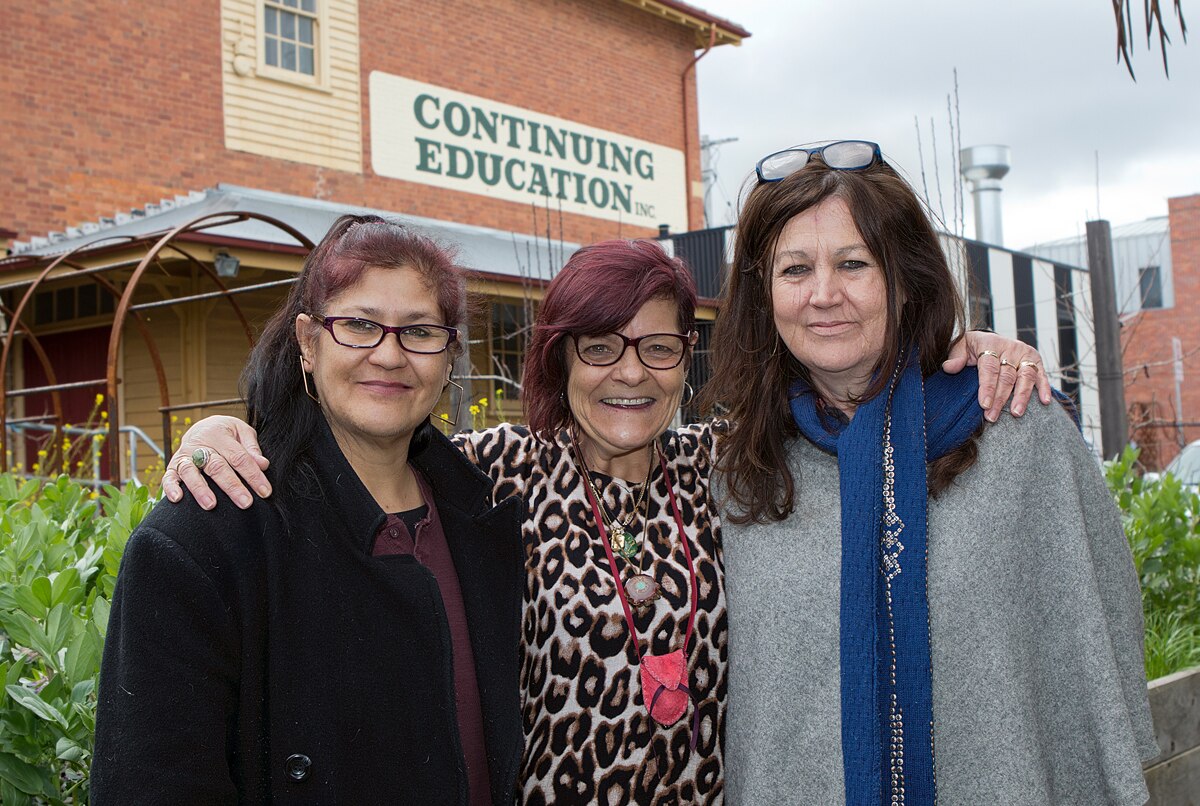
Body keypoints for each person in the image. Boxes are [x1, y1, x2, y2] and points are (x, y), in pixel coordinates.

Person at [161, 240, 1048, 803]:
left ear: (685, 360)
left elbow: (848, 403)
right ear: (561, 359)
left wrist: (971, 351)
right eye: (600, 347)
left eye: (658, 347)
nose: (631, 374)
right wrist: (218, 432)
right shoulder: (487, 476)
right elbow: (364, 442)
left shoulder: (728, 469)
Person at [705, 140, 1158, 804]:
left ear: (905, 278)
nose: (823, 295)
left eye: (854, 263)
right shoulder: (740, 470)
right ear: (763, 295)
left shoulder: (1017, 427)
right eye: (795, 269)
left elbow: (1101, 641)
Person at [92, 215, 524, 804]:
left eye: (420, 331)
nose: (389, 355)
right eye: (359, 325)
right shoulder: (208, 538)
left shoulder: (482, 516)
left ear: (448, 357)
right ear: (307, 342)